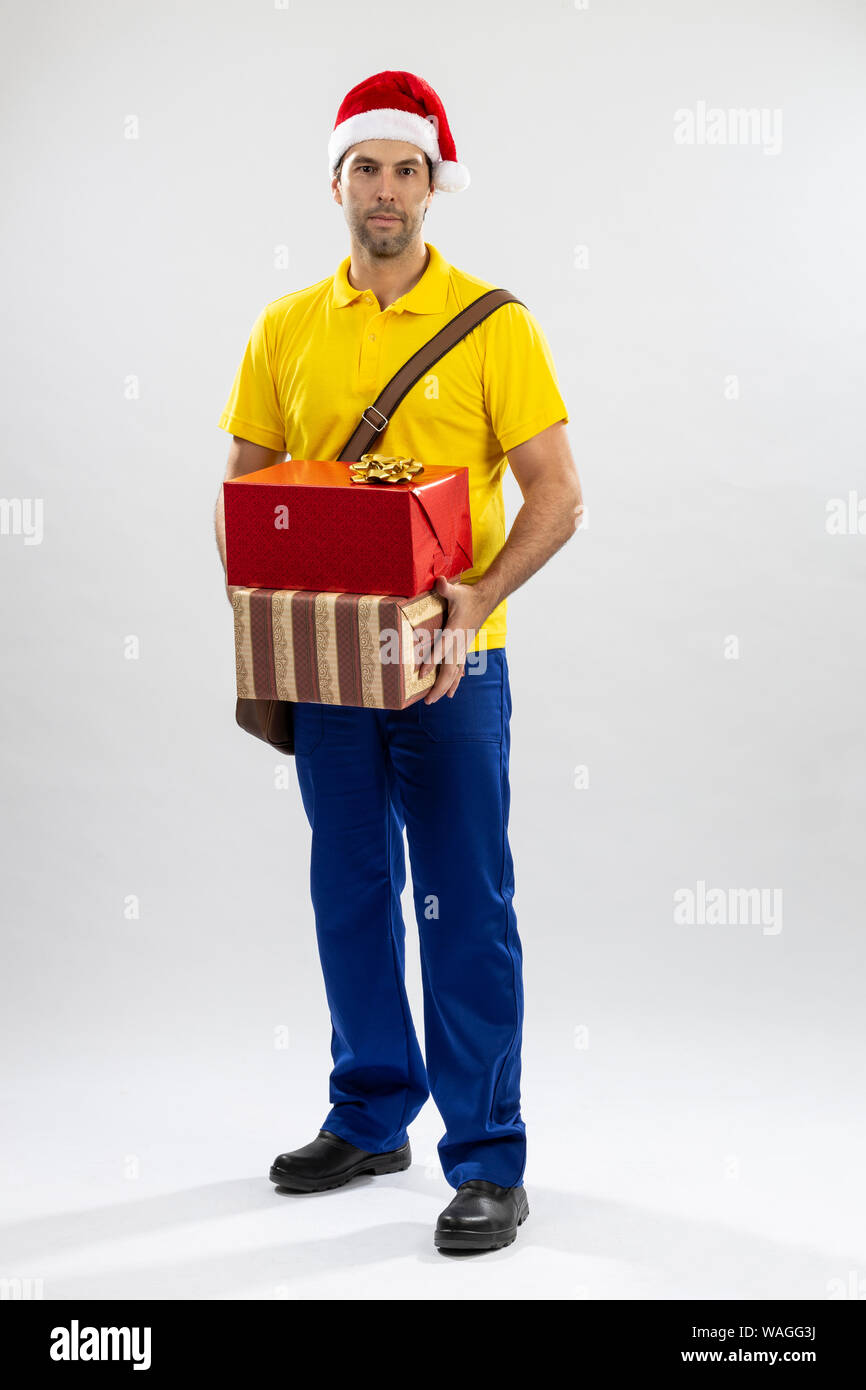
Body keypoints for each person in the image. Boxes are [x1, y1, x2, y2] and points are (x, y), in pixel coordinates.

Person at [214, 70, 583, 1254]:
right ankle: (370, 1112)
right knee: (352, 889)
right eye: (365, 168)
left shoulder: (495, 323)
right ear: (336, 184)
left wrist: (471, 599)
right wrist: (275, 609)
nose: (385, 191)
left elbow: (557, 495)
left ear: (434, 185)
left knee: (465, 901)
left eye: (405, 170)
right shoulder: (284, 326)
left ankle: (484, 1158)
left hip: (452, 669)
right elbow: (245, 491)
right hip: (330, 672)